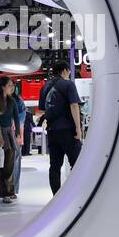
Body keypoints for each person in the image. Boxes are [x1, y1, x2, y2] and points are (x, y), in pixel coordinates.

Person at [42, 60, 83, 195]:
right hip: (67, 130)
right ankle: (76, 195)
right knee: (76, 165)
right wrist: (78, 127)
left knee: (54, 166)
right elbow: (74, 105)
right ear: (65, 71)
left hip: (52, 131)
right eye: (69, 71)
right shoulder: (68, 84)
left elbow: (43, 109)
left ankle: (56, 197)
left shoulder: (45, 87)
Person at [0, 77, 22, 204]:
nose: (12, 87)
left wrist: (17, 133)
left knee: (9, 163)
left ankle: (9, 191)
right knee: (0, 164)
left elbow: (16, 117)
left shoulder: (12, 101)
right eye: (10, 85)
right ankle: (2, 192)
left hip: (9, 134)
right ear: (2, 87)